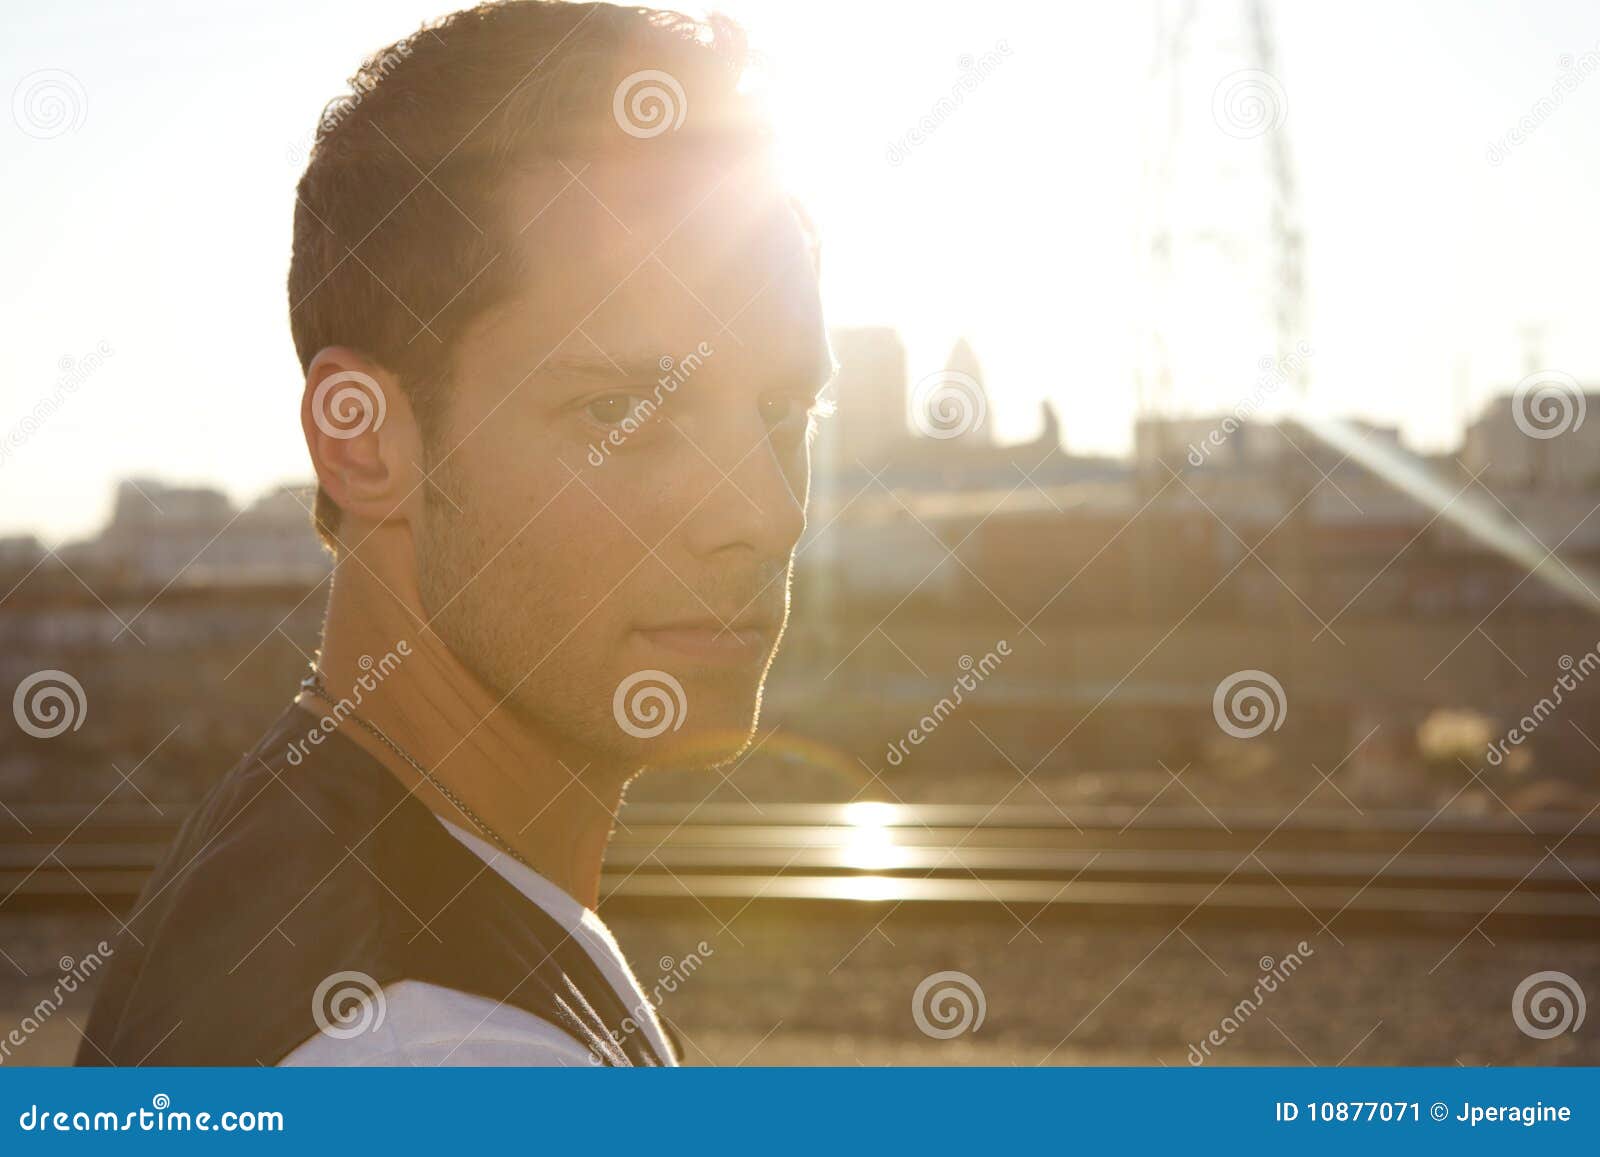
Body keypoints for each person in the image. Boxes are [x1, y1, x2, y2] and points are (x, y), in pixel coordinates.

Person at [77, 0, 831, 1067]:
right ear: (363, 444)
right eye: (621, 411)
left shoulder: (303, 844)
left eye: (784, 413)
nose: (766, 511)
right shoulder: (438, 1050)